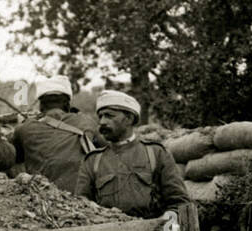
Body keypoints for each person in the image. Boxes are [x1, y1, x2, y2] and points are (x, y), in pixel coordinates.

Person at [74, 87, 189, 217]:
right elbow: (81, 206)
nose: (102, 122)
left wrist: (168, 224)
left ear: (129, 118)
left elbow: (179, 202)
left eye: (109, 116)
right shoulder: (92, 161)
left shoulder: (156, 154)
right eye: (100, 116)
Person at [12, 75, 96, 191]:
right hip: (82, 198)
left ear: (41, 105)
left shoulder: (25, 128)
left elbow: (12, 159)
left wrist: (21, 127)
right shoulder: (87, 122)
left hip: (41, 195)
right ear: (67, 104)